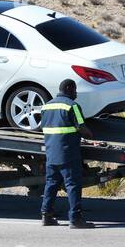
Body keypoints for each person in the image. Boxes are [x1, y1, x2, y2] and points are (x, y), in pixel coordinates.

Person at [40, 79, 93, 228]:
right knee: (73, 185)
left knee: (51, 184)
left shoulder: (46, 106)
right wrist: (91, 135)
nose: (76, 94)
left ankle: (46, 216)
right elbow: (81, 127)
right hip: (68, 154)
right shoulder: (72, 106)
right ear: (69, 88)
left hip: (51, 153)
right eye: (75, 90)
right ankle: (75, 219)